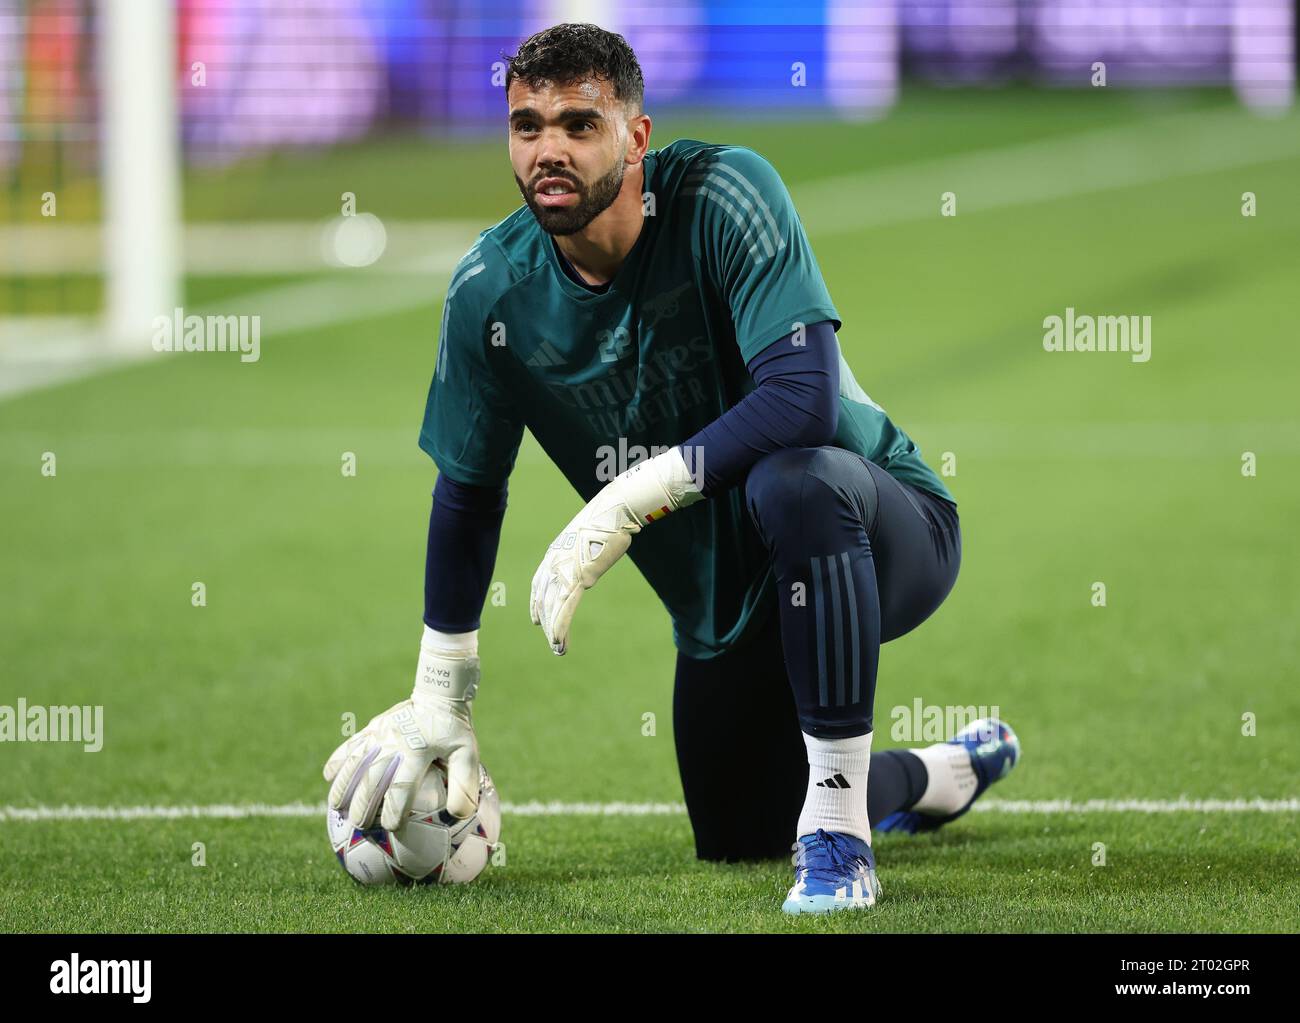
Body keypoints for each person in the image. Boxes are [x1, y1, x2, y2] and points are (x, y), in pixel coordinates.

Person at [324, 22, 1019, 914]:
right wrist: (440, 694)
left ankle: (841, 835)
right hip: (728, 610)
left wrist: (622, 502)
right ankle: (934, 774)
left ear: (636, 136)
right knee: (740, 832)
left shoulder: (728, 193)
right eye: (527, 125)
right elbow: (467, 490)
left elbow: (801, 402)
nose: (548, 150)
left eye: (579, 125)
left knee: (793, 477)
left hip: (878, 532)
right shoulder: (490, 293)